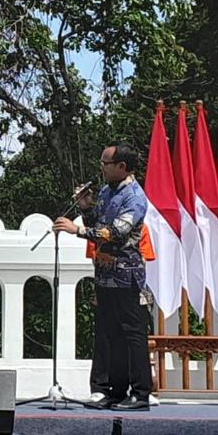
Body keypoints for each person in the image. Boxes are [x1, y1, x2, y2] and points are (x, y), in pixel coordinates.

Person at [52, 144, 153, 411]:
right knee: (112, 335)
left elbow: (115, 232)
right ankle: (116, 391)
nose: (101, 168)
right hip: (105, 274)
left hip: (127, 276)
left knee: (133, 334)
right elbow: (99, 222)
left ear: (122, 166)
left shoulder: (135, 197)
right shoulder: (109, 191)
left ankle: (141, 393)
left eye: (105, 163)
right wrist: (86, 207)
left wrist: (77, 230)